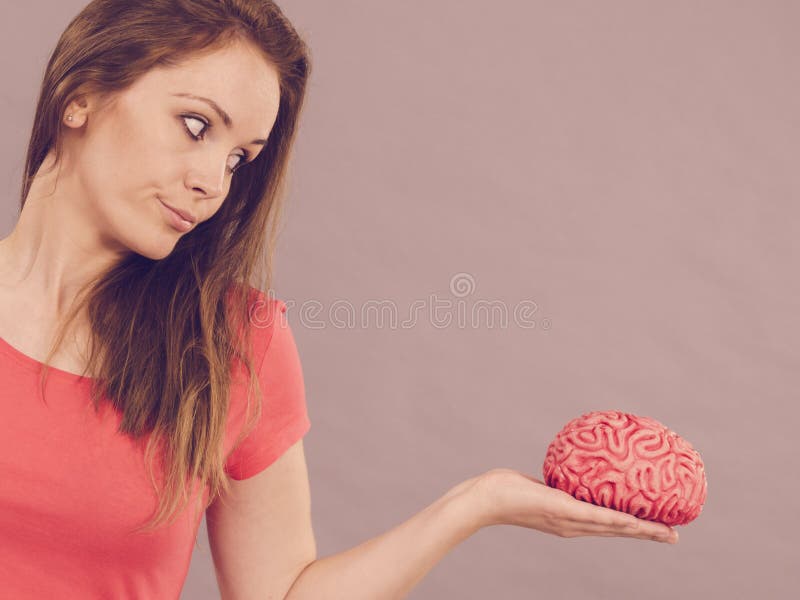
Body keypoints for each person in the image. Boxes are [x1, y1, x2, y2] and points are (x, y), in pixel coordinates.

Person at [0, 1, 678, 598]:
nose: (213, 181)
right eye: (197, 126)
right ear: (81, 93)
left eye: (241, 158)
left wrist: (476, 503)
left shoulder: (233, 341)